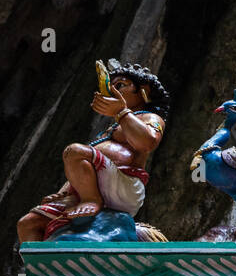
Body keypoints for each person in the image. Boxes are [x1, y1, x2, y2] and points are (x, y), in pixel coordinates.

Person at [17, 63, 169, 242]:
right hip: (93, 185)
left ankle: (92, 201)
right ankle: (37, 269)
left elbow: (147, 142)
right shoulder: (111, 128)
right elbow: (82, 169)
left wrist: (121, 112)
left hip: (123, 184)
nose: (113, 92)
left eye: (120, 86)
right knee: (28, 223)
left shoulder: (149, 118)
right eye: (110, 88)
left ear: (144, 91)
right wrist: (65, 191)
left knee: (74, 151)